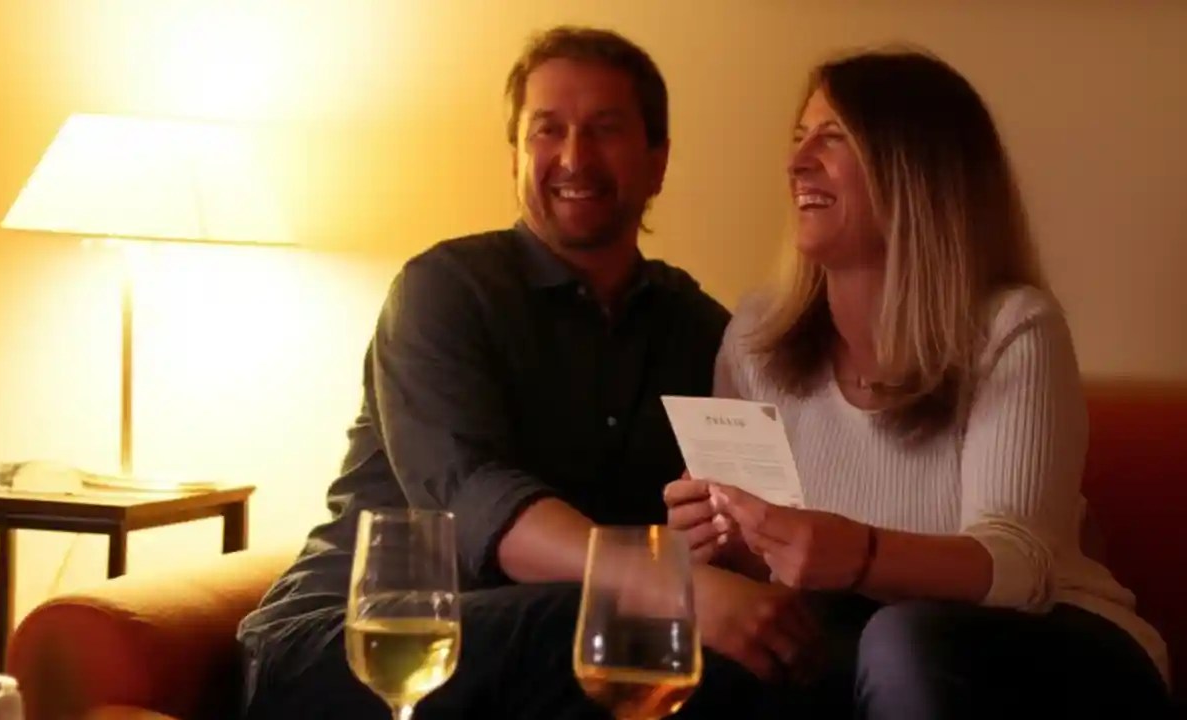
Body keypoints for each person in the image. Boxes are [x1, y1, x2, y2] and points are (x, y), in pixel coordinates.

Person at [237, 25, 821, 720]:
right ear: (516, 155)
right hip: (354, 642)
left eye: (605, 129)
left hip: (568, 655)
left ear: (658, 161)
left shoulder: (700, 329)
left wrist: (728, 549)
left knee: (780, 655)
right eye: (548, 131)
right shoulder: (443, 291)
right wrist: (674, 589)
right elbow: (475, 499)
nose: (574, 157)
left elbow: (751, 511)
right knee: (601, 631)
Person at [664, 47, 1172, 717]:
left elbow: (1021, 564)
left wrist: (859, 554)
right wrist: (723, 546)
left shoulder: (1013, 327)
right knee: (729, 654)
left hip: (1060, 644)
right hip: (861, 642)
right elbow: (783, 577)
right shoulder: (757, 335)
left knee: (901, 639)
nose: (797, 162)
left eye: (834, 136)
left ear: (919, 171)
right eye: (798, 138)